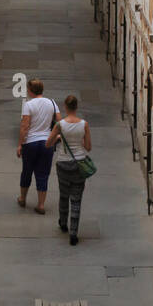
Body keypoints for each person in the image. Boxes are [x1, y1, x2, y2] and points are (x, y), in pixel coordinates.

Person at [46, 95, 91, 245]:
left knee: (64, 195)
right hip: (79, 163)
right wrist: (80, 140)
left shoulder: (60, 125)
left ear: (65, 107)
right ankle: (73, 233)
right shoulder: (84, 124)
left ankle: (63, 223)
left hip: (63, 163)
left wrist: (59, 137)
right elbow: (88, 147)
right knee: (76, 199)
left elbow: (48, 144)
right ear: (76, 107)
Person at [17, 78, 60, 213]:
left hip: (30, 143)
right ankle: (41, 205)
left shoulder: (28, 105)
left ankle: (23, 198)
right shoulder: (52, 103)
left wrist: (20, 144)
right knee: (43, 173)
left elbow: (25, 126)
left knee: (27, 171)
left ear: (30, 90)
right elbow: (59, 122)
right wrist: (55, 136)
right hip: (47, 142)